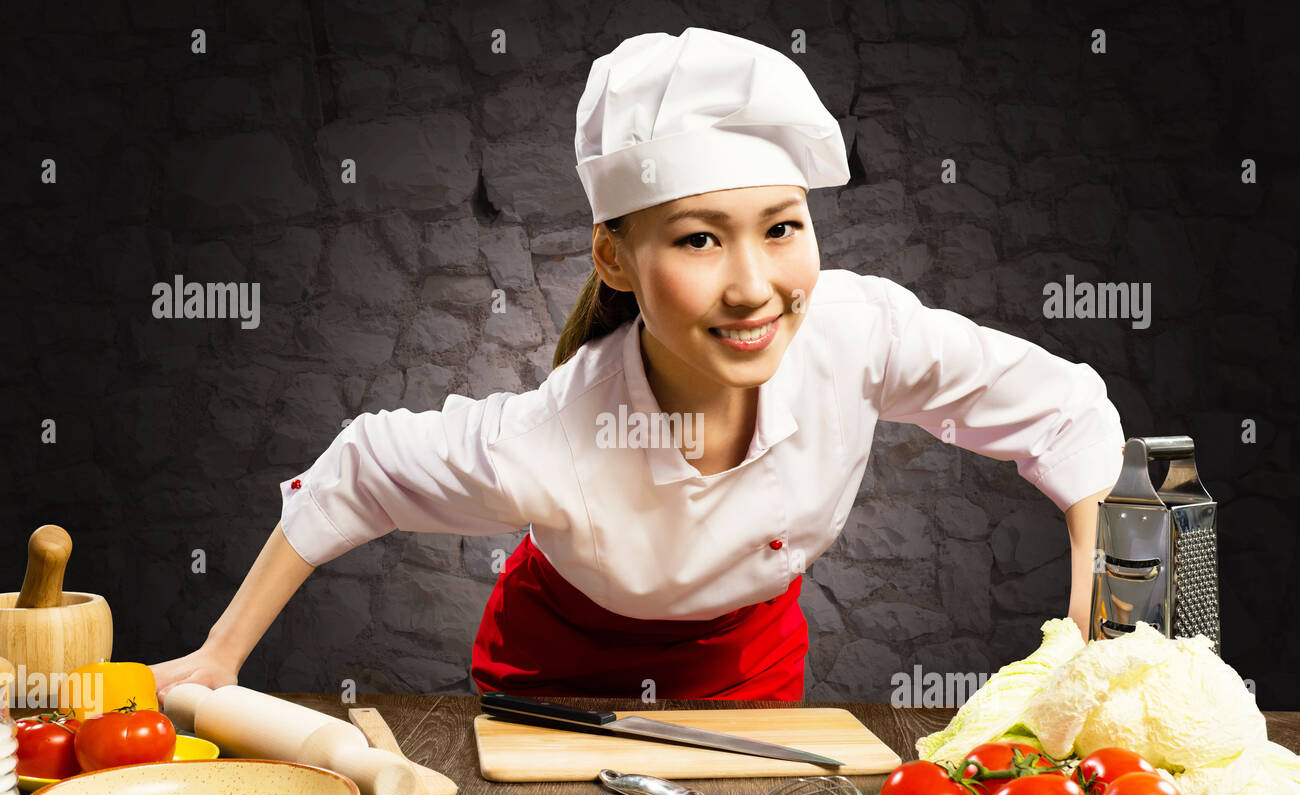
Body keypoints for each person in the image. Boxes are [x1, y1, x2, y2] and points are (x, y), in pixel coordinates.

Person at [150, 27, 1123, 704]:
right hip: (550, 691)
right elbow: (362, 468)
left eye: (781, 228)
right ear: (615, 256)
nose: (754, 287)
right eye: (698, 240)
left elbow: (1065, 415)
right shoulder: (551, 443)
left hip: (750, 683)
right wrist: (218, 656)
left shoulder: (858, 332)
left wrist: (1086, 638)